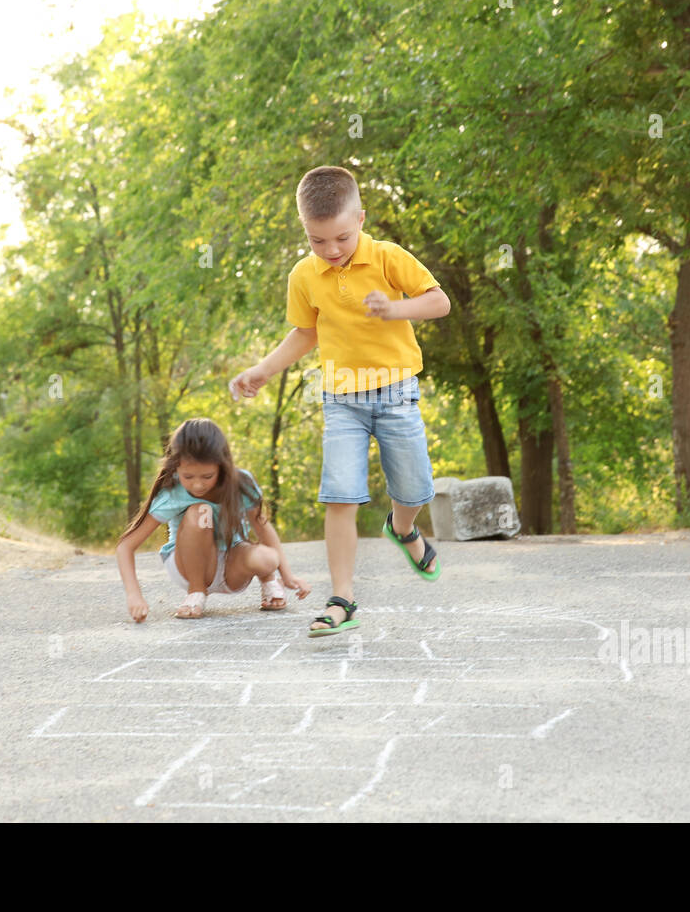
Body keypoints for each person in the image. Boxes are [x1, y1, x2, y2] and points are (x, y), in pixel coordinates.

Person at [230, 165, 451, 638]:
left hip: (396, 393)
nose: (331, 251)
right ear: (305, 233)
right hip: (342, 399)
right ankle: (342, 599)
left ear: (361, 219)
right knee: (340, 495)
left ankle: (404, 528)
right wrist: (262, 370)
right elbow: (304, 334)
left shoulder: (389, 258)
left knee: (414, 490)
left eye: (342, 239)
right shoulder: (305, 276)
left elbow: (439, 302)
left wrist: (396, 309)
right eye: (317, 241)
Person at [114, 417, 310, 621]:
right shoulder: (173, 491)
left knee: (268, 557)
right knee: (201, 511)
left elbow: (263, 529)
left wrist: (287, 576)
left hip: (232, 565)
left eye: (207, 476)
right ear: (176, 467)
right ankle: (196, 591)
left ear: (222, 466)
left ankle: (269, 581)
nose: (197, 485)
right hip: (188, 566)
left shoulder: (240, 483)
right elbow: (125, 546)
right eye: (188, 477)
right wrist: (134, 595)